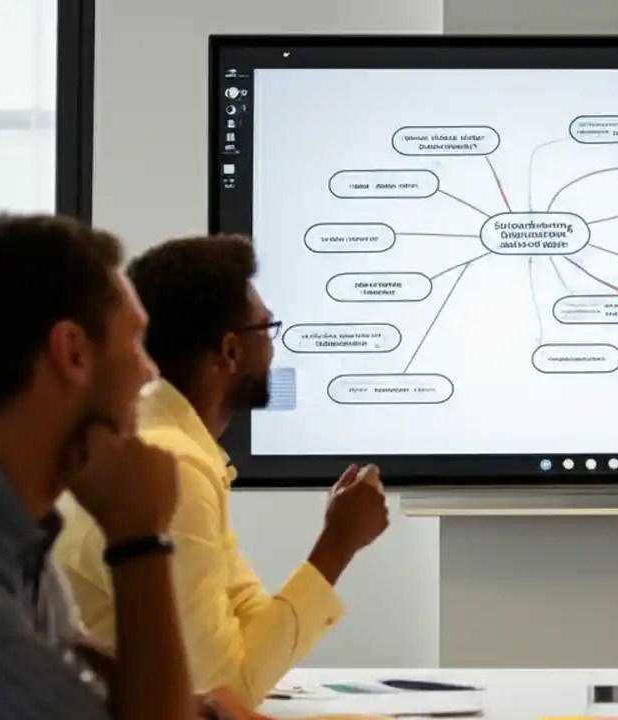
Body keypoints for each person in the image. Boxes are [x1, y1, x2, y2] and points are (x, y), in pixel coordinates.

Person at [54, 234, 390, 708]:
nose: (274, 346)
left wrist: (338, 542)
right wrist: (337, 545)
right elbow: (223, 690)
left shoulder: (180, 449)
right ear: (230, 352)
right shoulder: (174, 467)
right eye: (266, 328)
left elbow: (249, 632)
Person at [0, 213, 199, 718]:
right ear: (71, 351)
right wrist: (140, 538)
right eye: (134, 340)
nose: (149, 370)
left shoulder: (1, 519)